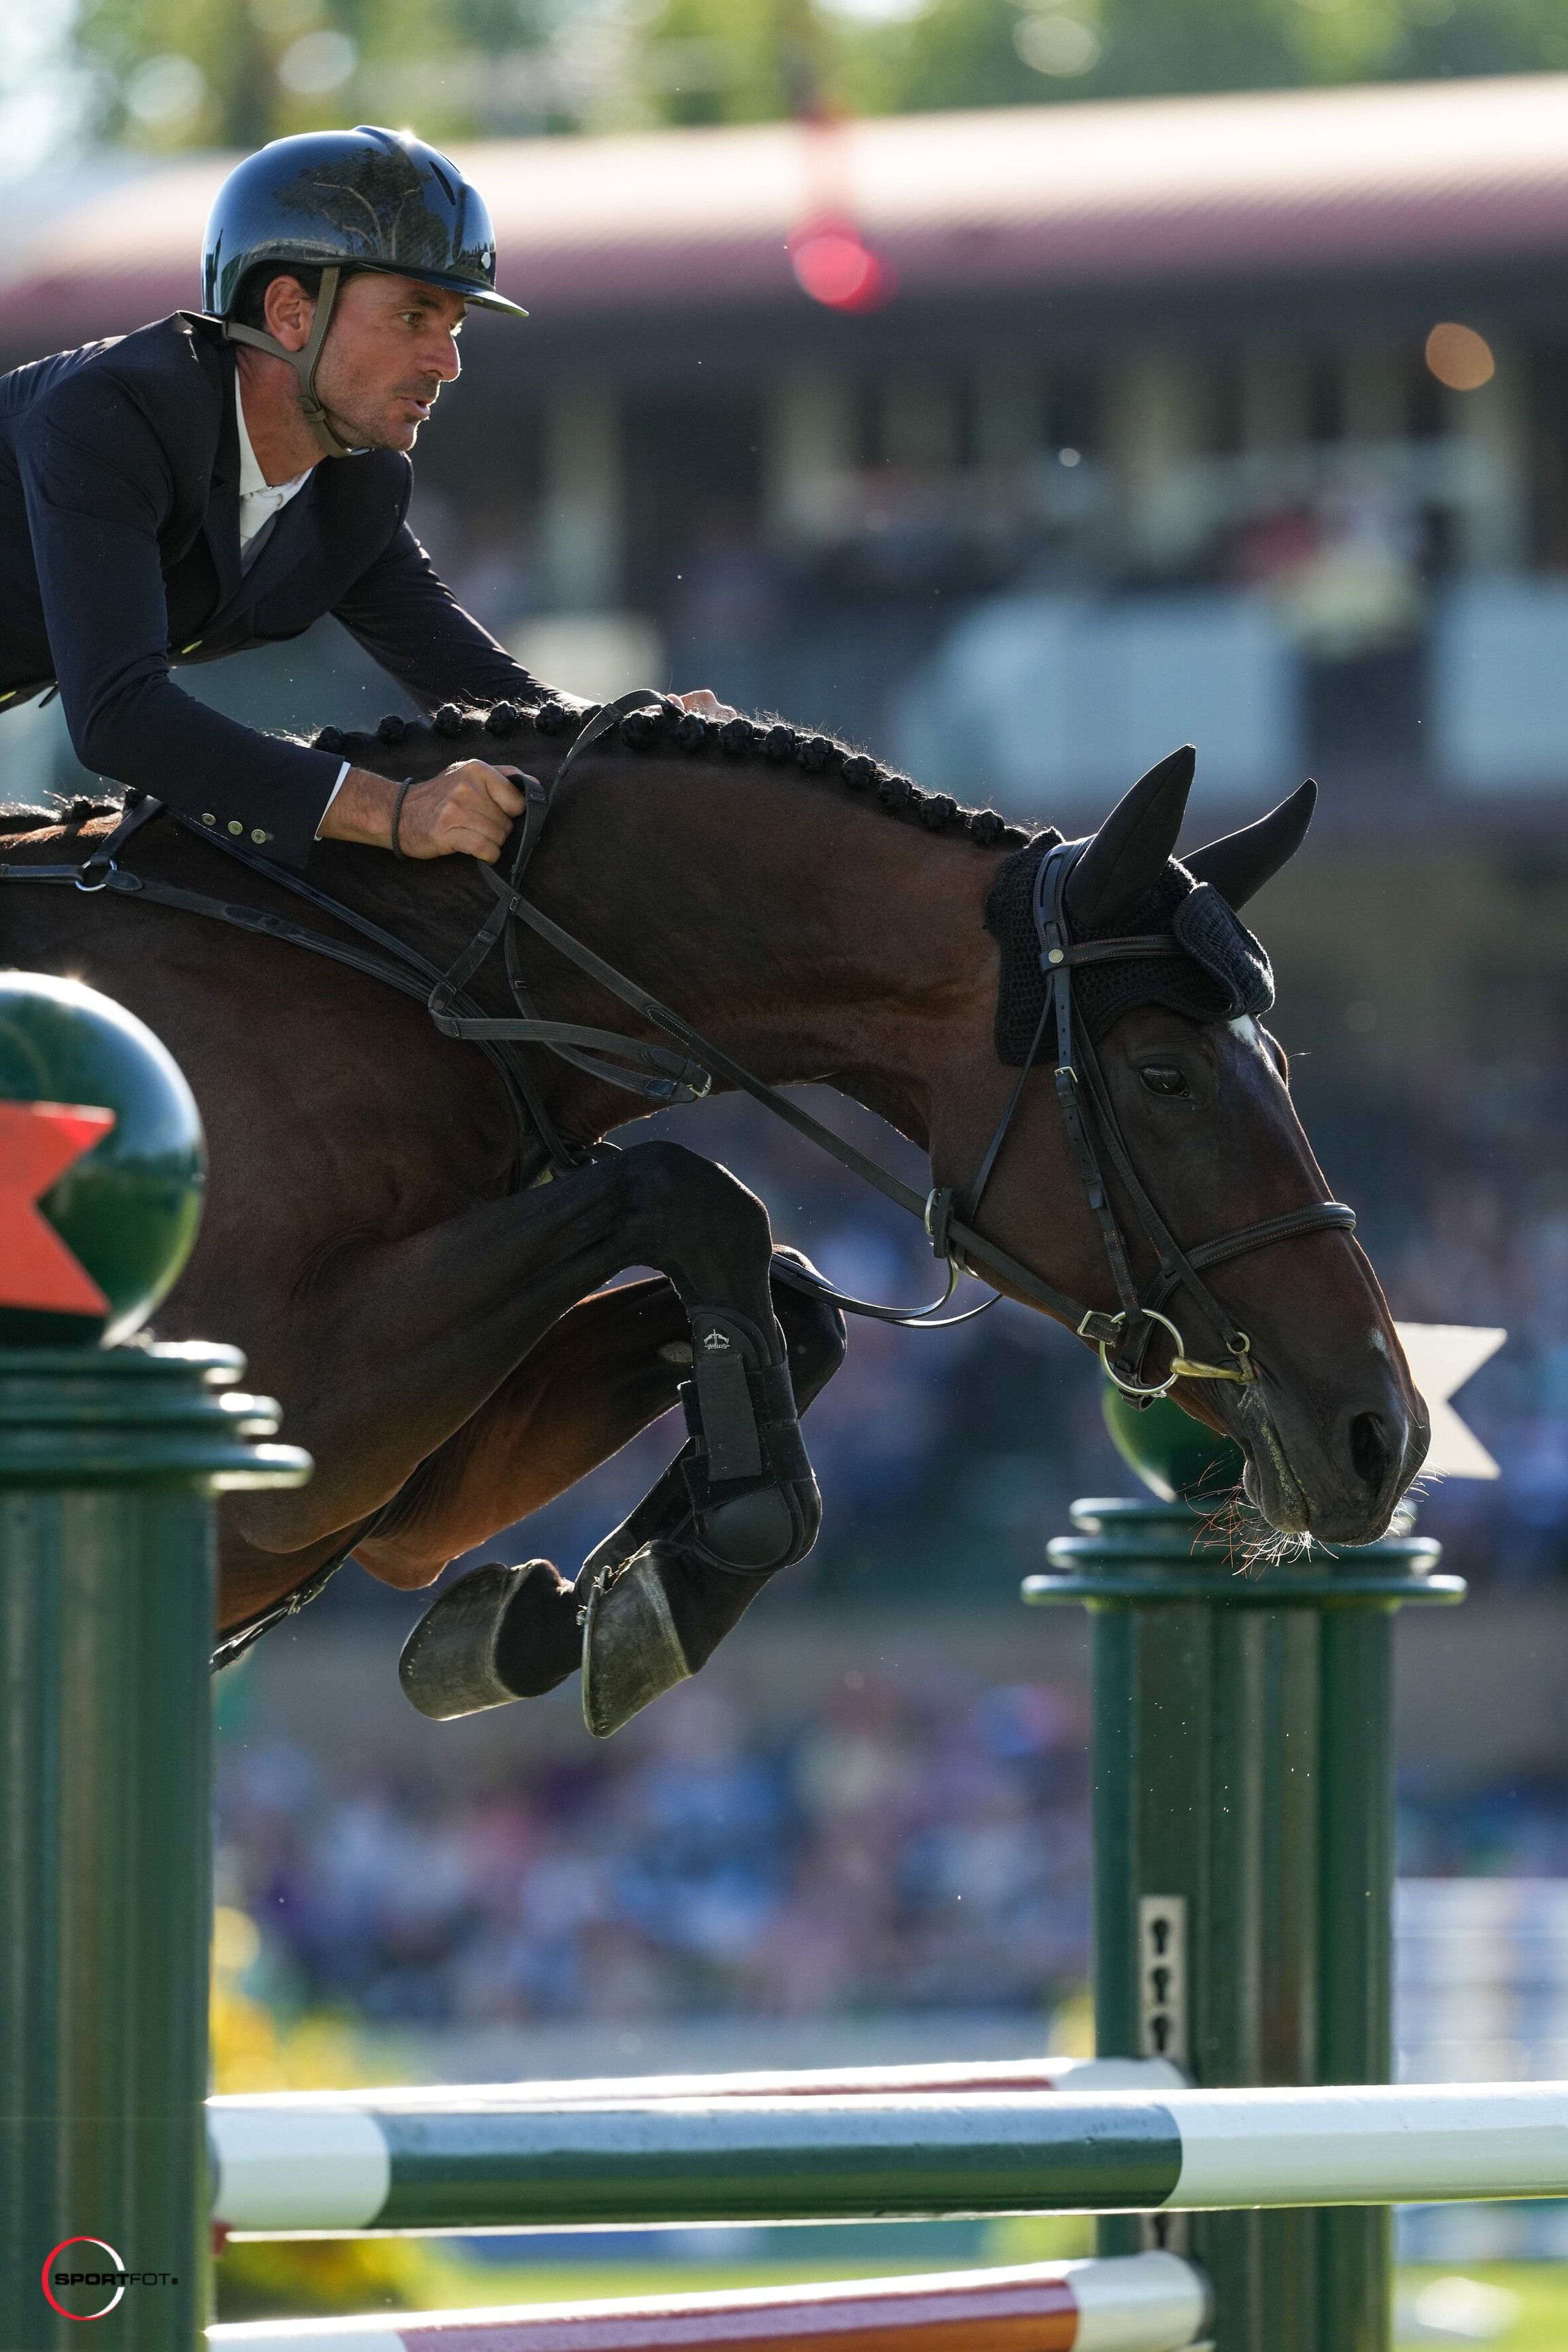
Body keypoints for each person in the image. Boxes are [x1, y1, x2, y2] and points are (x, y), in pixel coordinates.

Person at [0, 123, 728, 870]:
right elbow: (121, 719)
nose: (446, 363)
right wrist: (396, 811)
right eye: (414, 317)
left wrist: (638, 739)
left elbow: (477, 688)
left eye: (453, 326)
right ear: (289, 313)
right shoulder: (110, 415)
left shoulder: (362, 480)